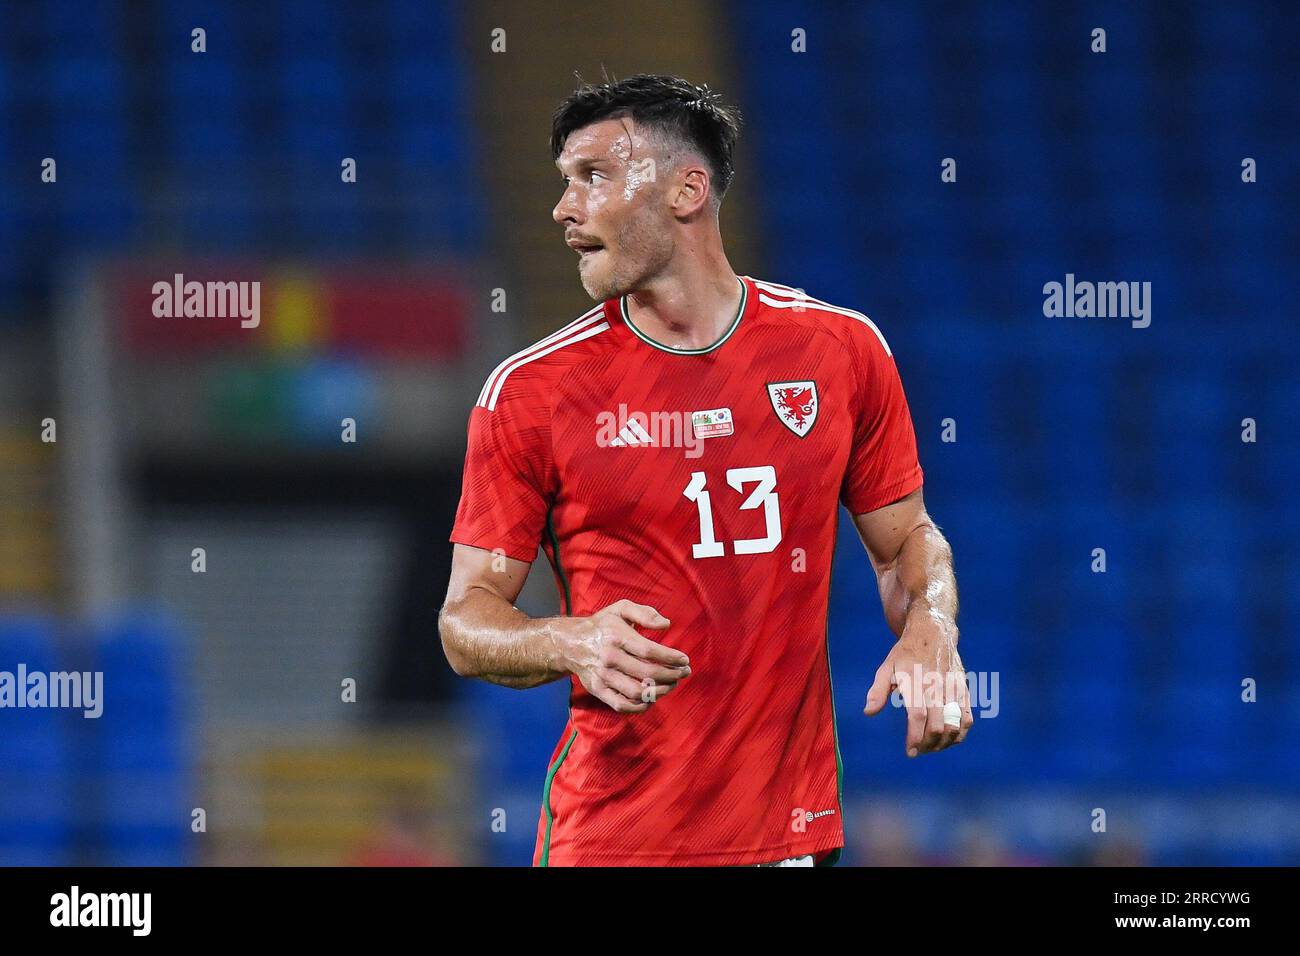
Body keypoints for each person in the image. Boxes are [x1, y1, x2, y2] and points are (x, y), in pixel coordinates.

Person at [440, 73, 971, 866]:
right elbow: (465, 621)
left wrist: (933, 621)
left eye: (594, 176)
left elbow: (906, 546)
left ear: (687, 189)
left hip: (793, 839)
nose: (564, 208)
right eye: (562, 182)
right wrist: (569, 641)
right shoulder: (531, 394)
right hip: (615, 843)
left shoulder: (841, 352)